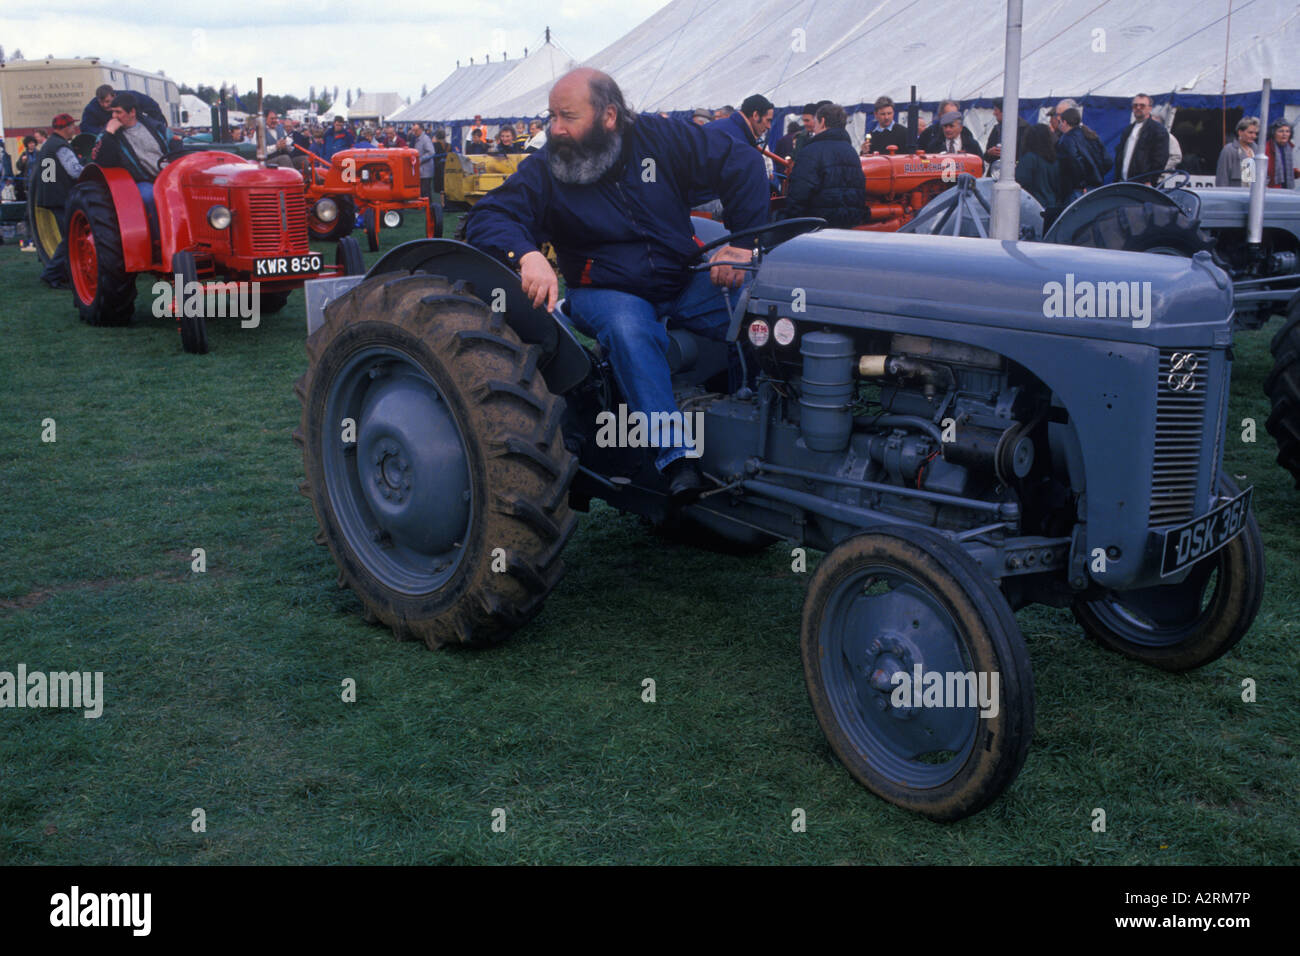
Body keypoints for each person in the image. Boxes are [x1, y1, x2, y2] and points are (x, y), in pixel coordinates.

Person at [465, 68, 768, 500]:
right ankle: (674, 456)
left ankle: (759, 423)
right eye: (551, 116)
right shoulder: (548, 167)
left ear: (609, 116)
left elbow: (741, 161)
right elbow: (489, 215)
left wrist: (743, 242)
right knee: (630, 329)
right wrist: (527, 254)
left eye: (567, 116)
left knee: (760, 307)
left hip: (681, 280)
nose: (555, 129)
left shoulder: (659, 138)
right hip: (604, 291)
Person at [781, 102, 864, 228]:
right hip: (847, 227)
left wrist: (789, 223)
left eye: (816, 121)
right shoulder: (852, 152)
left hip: (817, 227)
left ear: (823, 122)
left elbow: (798, 194)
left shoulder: (811, 151)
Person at [33, 114, 85, 288]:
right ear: (65, 127)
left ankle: (62, 273)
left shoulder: (48, 145)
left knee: (67, 237)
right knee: (70, 238)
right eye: (72, 126)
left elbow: (49, 176)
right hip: (61, 198)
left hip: (50, 196)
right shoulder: (61, 147)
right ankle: (52, 274)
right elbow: (75, 171)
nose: (74, 129)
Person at [91, 93, 170, 183]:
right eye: (112, 112)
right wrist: (109, 134)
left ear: (132, 112)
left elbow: (176, 148)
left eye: (118, 112)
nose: (113, 116)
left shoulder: (156, 127)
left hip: (169, 175)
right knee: (148, 195)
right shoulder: (108, 135)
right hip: (143, 180)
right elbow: (103, 162)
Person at [1114, 93, 1170, 184]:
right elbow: (1120, 156)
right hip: (1123, 182)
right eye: (1135, 105)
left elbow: (1160, 160)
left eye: (1142, 105)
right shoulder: (1128, 130)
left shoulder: (1158, 130)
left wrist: (1150, 181)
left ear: (1150, 108)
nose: (1138, 108)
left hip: (1142, 184)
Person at [1014, 123, 1064, 215]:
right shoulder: (1055, 160)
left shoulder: (1029, 158)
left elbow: (1019, 182)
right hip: (1053, 206)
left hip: (1034, 206)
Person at [81, 83, 165, 137]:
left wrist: (155, 127)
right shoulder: (91, 108)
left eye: (107, 101)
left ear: (114, 95)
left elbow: (153, 108)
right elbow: (86, 127)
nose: (105, 105)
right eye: (101, 102)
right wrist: (106, 131)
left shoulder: (132, 97)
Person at [1056, 107, 1103, 201]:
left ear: (1065, 122)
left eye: (1060, 122)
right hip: (1095, 186)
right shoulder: (1091, 135)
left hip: (1078, 189)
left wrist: (1082, 184)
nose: (1059, 125)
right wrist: (1096, 175)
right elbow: (1106, 160)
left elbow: (1075, 161)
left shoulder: (1067, 139)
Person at [984, 97, 1029, 173]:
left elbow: (1026, 156)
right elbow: (986, 157)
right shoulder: (996, 129)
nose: (994, 113)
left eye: (996, 110)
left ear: (1004, 111)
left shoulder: (1024, 129)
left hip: (1016, 175)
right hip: (996, 174)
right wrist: (989, 153)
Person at [1216, 116, 1260, 187]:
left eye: (1256, 133)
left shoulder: (1257, 150)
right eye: (1250, 132)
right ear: (1240, 132)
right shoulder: (1229, 150)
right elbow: (1222, 177)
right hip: (1234, 194)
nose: (1253, 136)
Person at [1265, 120, 1298, 189]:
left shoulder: (1289, 147)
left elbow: (1285, 171)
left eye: (1287, 131)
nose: (1284, 134)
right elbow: (1269, 172)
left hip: (1287, 187)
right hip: (1270, 188)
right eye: (1281, 131)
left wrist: (1296, 172)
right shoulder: (1267, 148)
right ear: (1273, 133)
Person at [411, 123, 436, 201]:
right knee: (423, 190)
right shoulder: (418, 138)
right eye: (413, 130)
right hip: (421, 170)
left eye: (416, 130)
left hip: (425, 171)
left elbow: (431, 152)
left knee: (426, 190)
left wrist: (420, 160)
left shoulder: (425, 139)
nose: (414, 132)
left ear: (421, 130)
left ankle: (428, 206)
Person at [14, 135, 38, 202]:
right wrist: (22, 161)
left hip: (38, 181)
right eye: (30, 143)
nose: (32, 144)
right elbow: (18, 167)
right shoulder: (24, 154)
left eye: (33, 142)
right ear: (27, 144)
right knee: (29, 199)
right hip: (28, 182)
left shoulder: (39, 153)